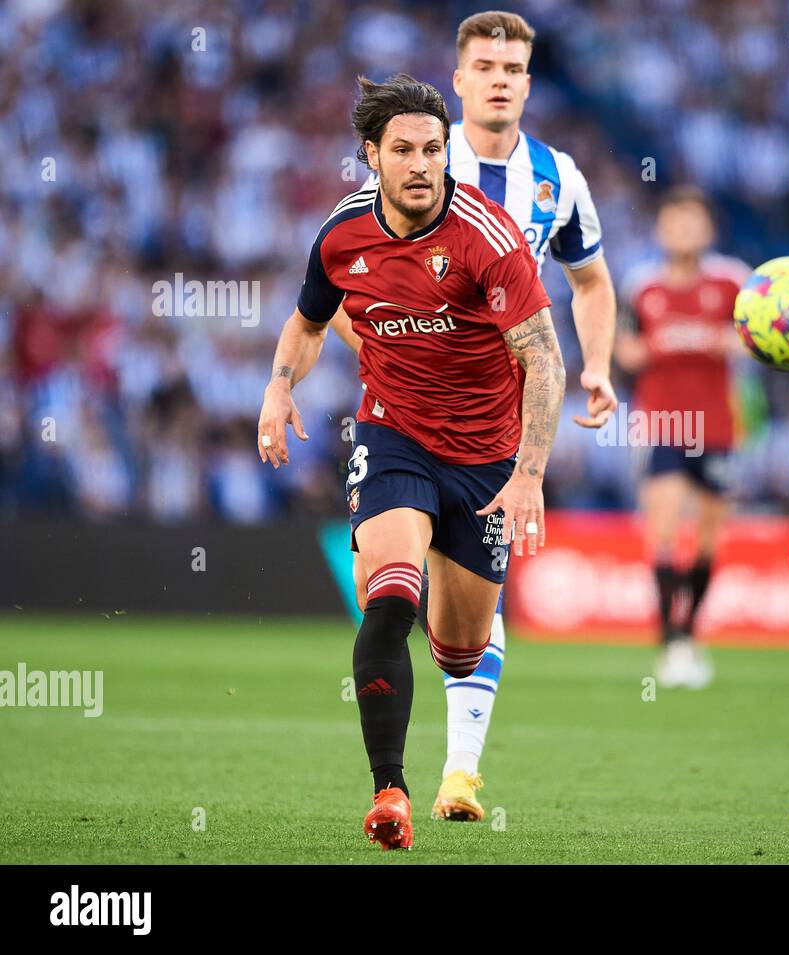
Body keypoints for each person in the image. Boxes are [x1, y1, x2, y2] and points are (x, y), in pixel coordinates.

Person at [257, 73, 565, 850]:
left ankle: (457, 645)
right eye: (405, 150)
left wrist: (528, 474)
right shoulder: (341, 235)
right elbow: (306, 323)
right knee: (389, 594)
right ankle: (388, 790)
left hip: (486, 457)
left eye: (434, 147)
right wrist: (277, 389)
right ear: (371, 156)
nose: (424, 163)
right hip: (392, 436)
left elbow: (545, 359)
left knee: (460, 648)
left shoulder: (486, 237)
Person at [327, 11, 617, 823]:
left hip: (508, 415)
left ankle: (460, 769)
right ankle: (416, 776)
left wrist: (595, 365)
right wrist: (394, 353)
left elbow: (590, 285)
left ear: (529, 82)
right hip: (411, 419)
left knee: (468, 619)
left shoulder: (557, 177)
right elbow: (350, 275)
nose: (499, 78)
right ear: (456, 82)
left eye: (514, 68)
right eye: (484, 64)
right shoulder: (415, 156)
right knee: (397, 590)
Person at [615, 187, 748, 689]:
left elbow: (756, 340)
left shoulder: (734, 280)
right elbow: (625, 352)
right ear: (661, 230)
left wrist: (725, 342)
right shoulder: (642, 286)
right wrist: (669, 343)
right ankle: (671, 639)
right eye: (675, 222)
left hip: (718, 428)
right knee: (664, 530)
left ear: (708, 230)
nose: (684, 231)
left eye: (693, 222)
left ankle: (690, 632)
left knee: (709, 540)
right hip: (663, 425)